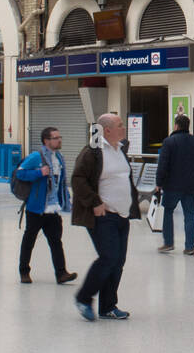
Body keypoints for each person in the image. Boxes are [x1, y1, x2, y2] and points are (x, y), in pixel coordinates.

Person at [71, 113, 140, 321]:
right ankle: (84, 298)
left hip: (122, 215)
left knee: (118, 261)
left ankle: (108, 306)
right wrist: (94, 202)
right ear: (107, 129)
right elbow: (78, 179)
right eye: (120, 125)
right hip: (102, 216)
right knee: (108, 257)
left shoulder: (120, 149)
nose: (124, 129)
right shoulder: (93, 150)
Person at [13, 126, 77, 285]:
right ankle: (24, 271)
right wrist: (39, 173)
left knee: (56, 241)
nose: (59, 140)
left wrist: (68, 200)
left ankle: (61, 273)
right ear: (46, 141)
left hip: (53, 209)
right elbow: (19, 173)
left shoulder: (59, 157)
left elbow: (61, 183)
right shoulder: (36, 156)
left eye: (59, 137)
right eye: (55, 138)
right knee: (29, 240)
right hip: (36, 208)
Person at [154, 114, 194, 255]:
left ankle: (168, 243)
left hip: (172, 185)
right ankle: (189, 246)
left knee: (168, 211)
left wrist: (159, 183)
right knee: (190, 214)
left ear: (176, 125)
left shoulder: (169, 142)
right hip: (191, 185)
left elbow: (163, 165)